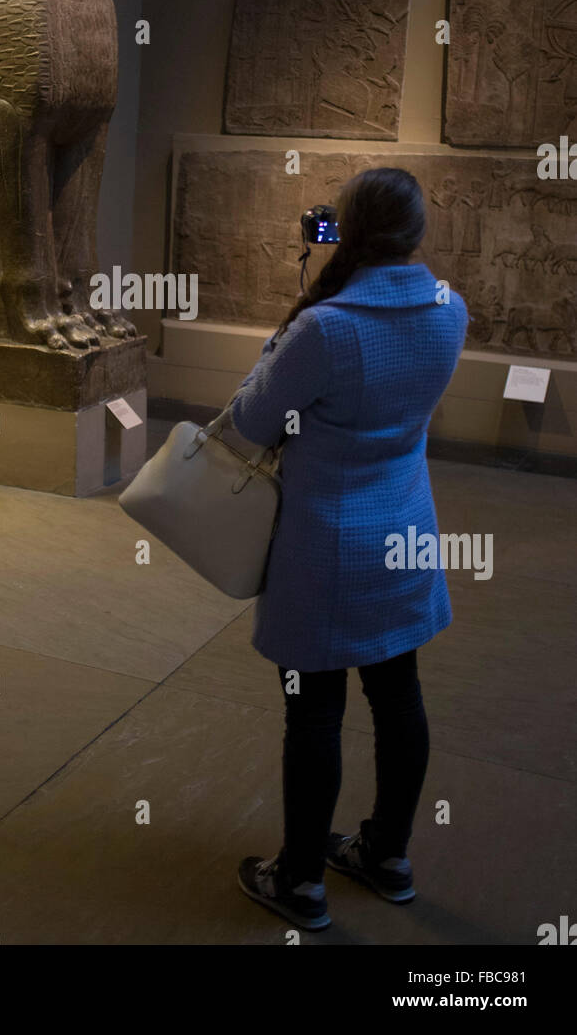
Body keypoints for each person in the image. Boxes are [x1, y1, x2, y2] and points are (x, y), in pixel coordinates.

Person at [231, 167, 468, 931]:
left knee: (315, 714)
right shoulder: (449, 309)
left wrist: (285, 331)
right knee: (399, 697)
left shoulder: (326, 327)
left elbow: (248, 423)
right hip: (403, 532)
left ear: (346, 229)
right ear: (417, 233)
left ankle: (301, 881)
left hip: (325, 548)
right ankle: (388, 855)